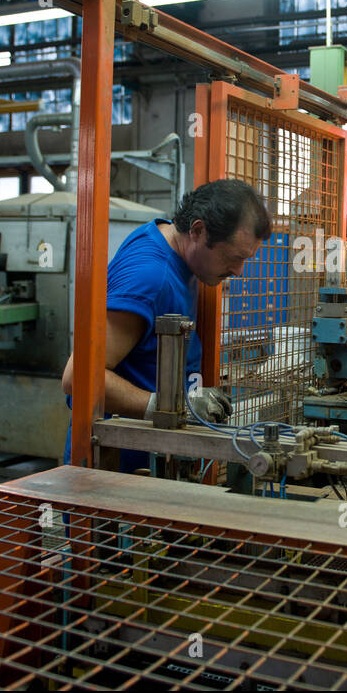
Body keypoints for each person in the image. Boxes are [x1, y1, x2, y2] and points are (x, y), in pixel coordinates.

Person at [60, 178, 272, 472]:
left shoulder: (169, 242)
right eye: (233, 258)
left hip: (151, 456)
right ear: (198, 230)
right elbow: (78, 378)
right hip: (115, 464)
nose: (237, 271)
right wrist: (171, 408)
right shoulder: (150, 277)